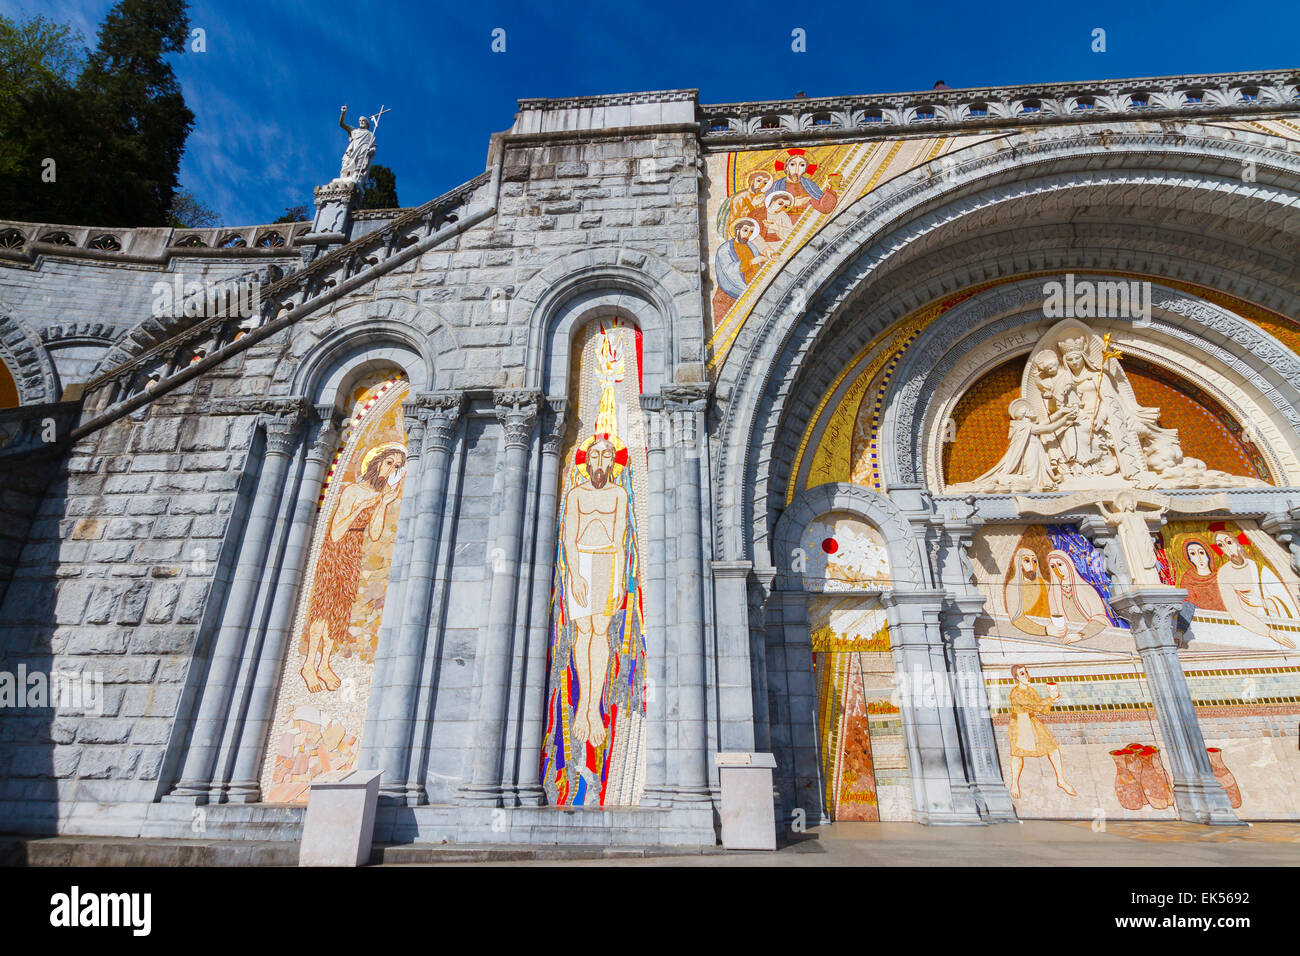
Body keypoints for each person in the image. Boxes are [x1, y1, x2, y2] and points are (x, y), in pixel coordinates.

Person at [300, 442, 406, 693]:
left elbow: (376, 533)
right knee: (324, 608)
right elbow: (336, 532)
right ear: (377, 461)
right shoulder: (353, 491)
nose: (390, 470)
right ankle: (308, 664)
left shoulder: (377, 495)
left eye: (397, 467)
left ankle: (324, 663)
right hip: (334, 551)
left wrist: (382, 503)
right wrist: (361, 505)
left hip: (352, 552)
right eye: (389, 463)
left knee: (340, 609)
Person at [562, 435, 629, 751]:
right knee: (583, 633)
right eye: (595, 455)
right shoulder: (576, 495)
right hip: (582, 564)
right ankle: (581, 707)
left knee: (601, 632)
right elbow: (568, 539)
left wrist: (618, 582)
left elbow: (620, 539)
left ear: (613, 463)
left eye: (606, 456)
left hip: (607, 563)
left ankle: (592, 709)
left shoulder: (619, 495)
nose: (600, 462)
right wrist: (575, 575)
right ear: (586, 462)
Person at [1211, 525, 1297, 648]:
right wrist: (1270, 633)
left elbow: (1287, 603)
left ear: (1237, 542)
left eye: (1229, 542)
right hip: (1255, 631)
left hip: (1278, 623)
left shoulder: (1260, 568)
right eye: (1221, 545)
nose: (1227, 548)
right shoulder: (1224, 573)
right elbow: (1235, 611)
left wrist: (1262, 602)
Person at [1007, 664, 1076, 798]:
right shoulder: (1015, 693)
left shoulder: (1031, 690)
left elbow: (1042, 709)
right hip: (1020, 723)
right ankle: (1014, 783)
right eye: (1022, 674)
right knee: (1017, 754)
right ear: (1016, 677)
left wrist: (1053, 700)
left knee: (1053, 748)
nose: (1026, 675)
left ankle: (1061, 780)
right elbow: (1034, 706)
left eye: (1026, 672)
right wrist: (1050, 698)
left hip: (1032, 721)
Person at [1045, 549, 1111, 642]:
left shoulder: (1085, 589)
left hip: (1091, 638)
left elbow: (1101, 619)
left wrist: (1081, 635)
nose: (1058, 570)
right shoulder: (1053, 594)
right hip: (1068, 640)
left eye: (1060, 564)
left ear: (1069, 564)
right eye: (1053, 567)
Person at [1004, 547, 1050, 636]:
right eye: (1027, 561)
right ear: (1019, 564)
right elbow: (1016, 618)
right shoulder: (1013, 586)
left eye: (1034, 561)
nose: (1032, 566)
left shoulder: (1045, 584)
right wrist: (1045, 630)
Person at [1176, 537, 1226, 611]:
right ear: (1190, 558)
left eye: (1201, 553)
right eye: (1193, 554)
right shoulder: (1188, 578)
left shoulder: (1220, 576)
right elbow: (1187, 602)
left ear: (1208, 555)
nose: (1199, 558)